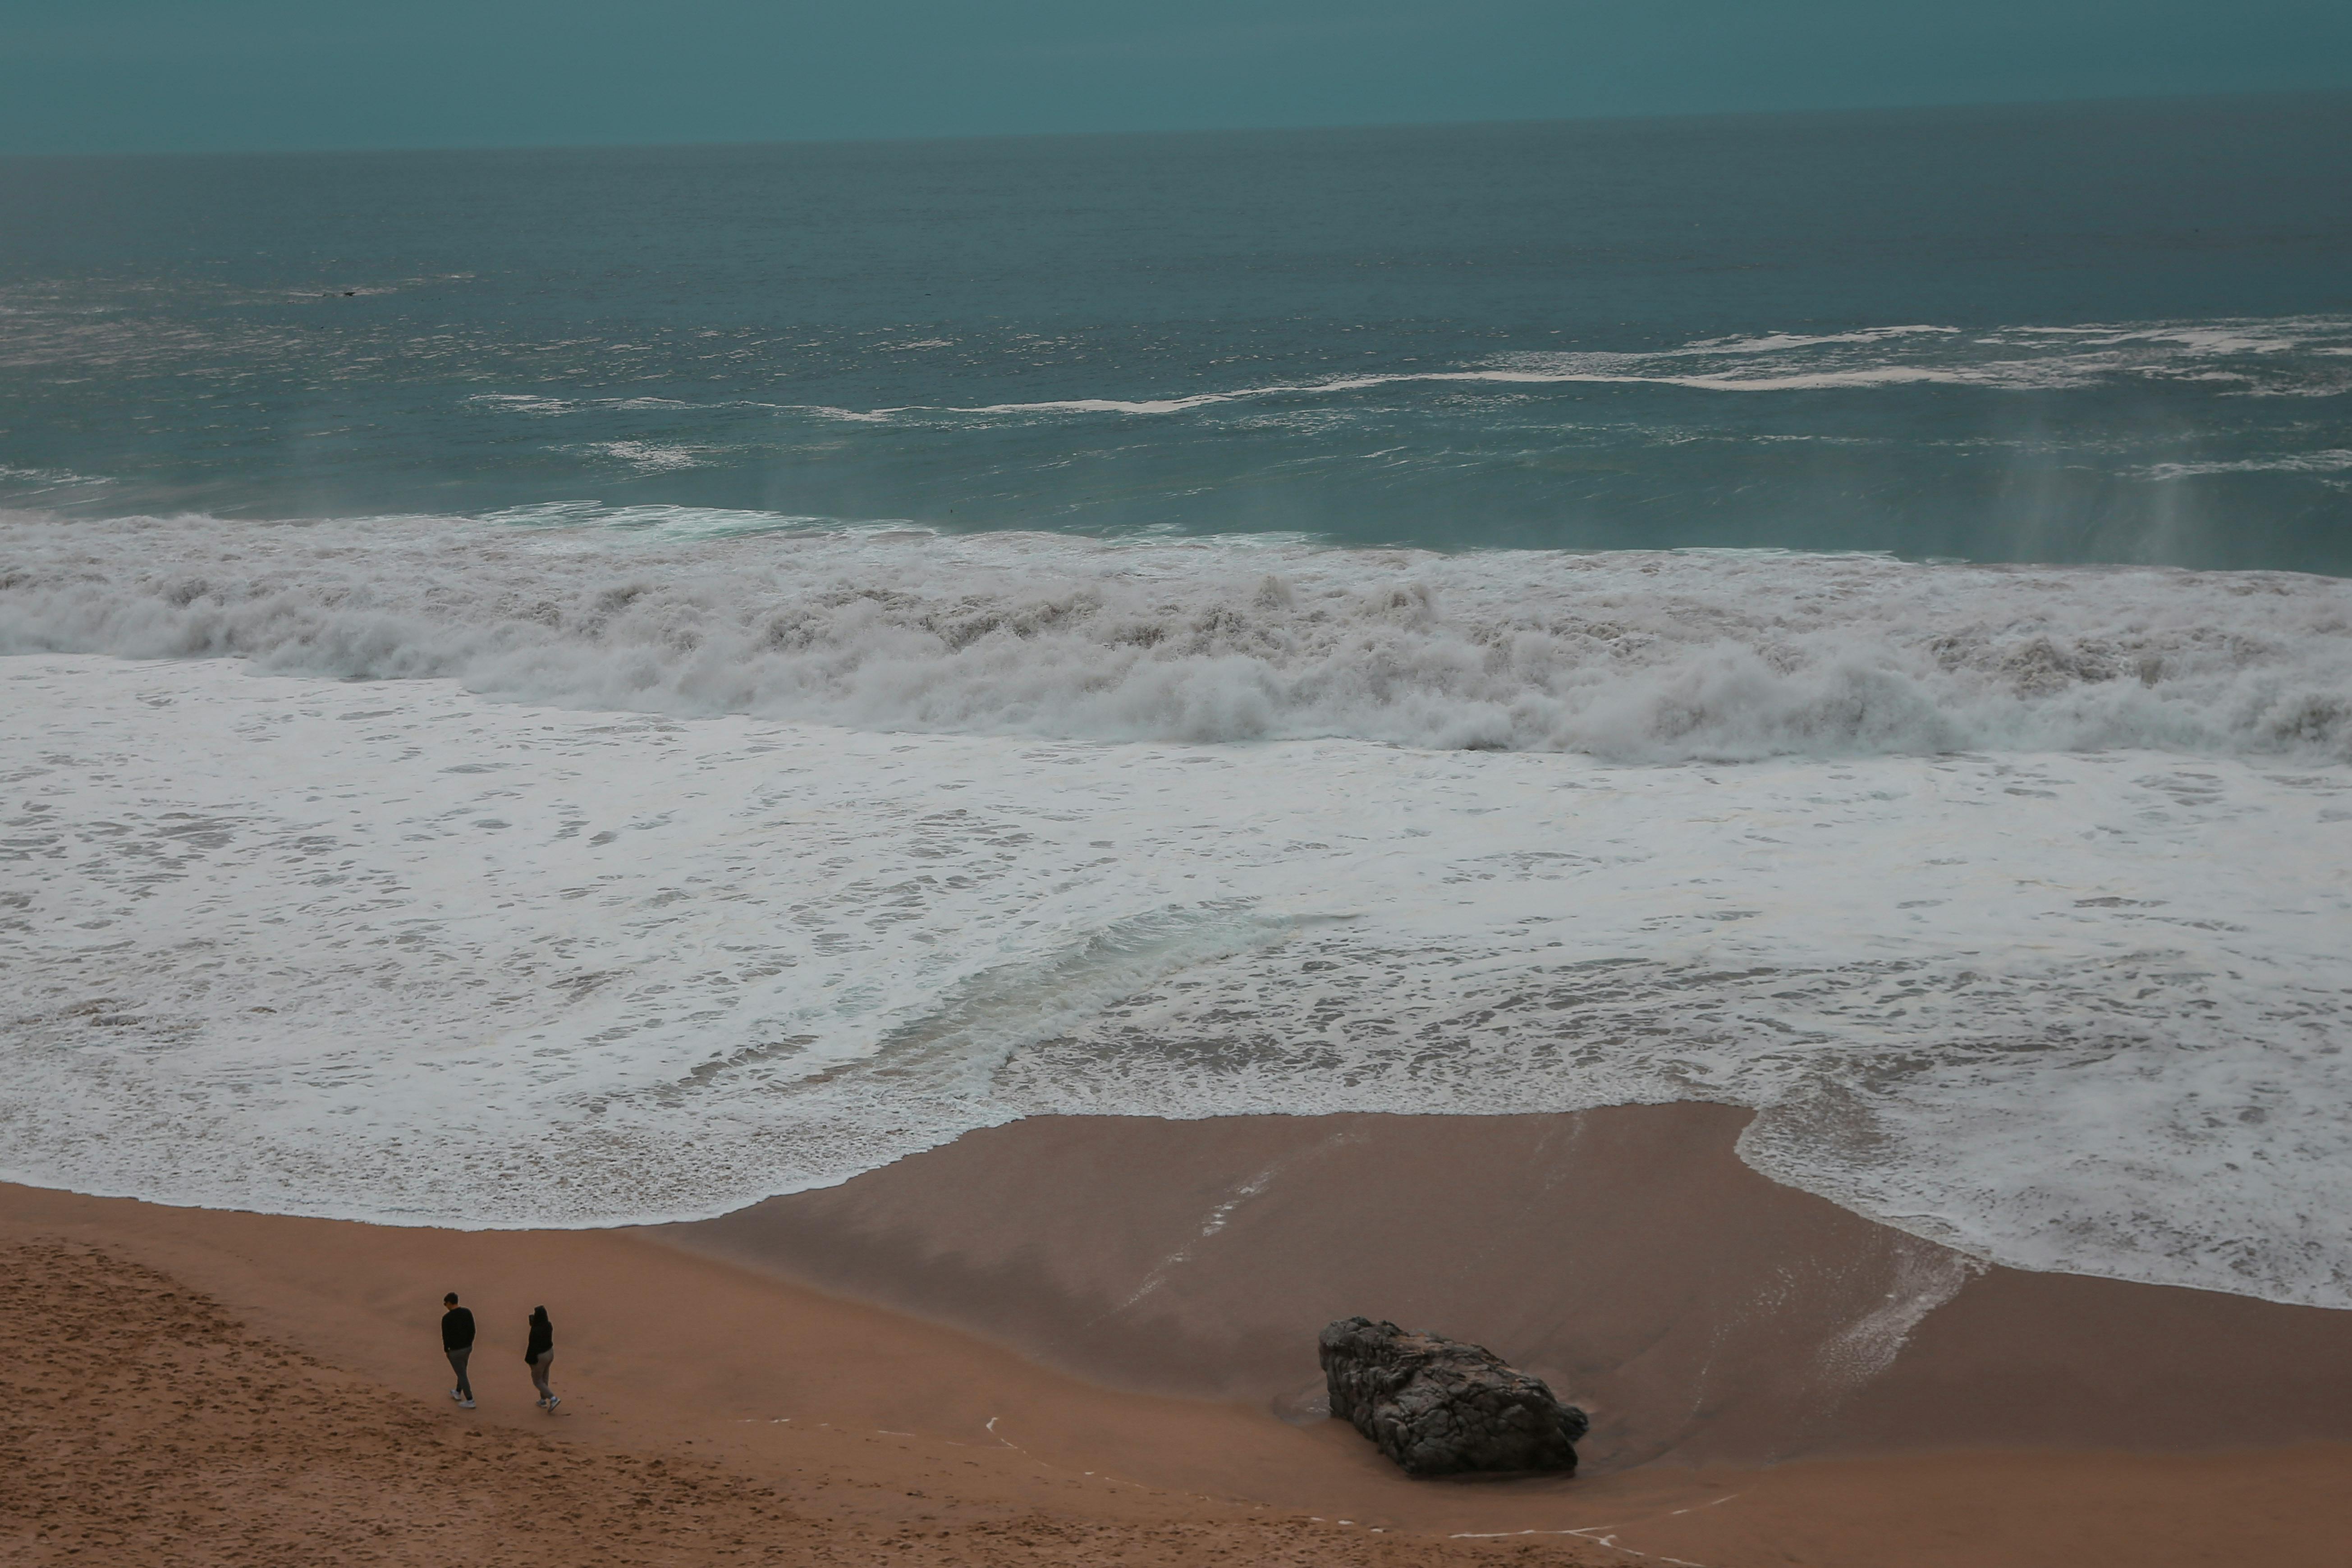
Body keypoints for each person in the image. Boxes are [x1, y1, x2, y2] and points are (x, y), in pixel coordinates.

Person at [441, 1292, 476, 1409]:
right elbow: (473, 1330)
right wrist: (470, 1343)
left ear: (450, 1303)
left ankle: (470, 1399)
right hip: (468, 1348)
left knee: (462, 1374)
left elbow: (446, 1336)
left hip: (456, 1351)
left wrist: (447, 1350)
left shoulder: (447, 1318)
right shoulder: (467, 1312)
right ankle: (457, 1391)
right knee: (462, 1370)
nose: (446, 1306)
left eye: (446, 1304)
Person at [526, 1305, 559, 1411]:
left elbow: (532, 1347)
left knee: (537, 1381)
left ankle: (553, 1398)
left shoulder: (535, 1330)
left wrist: (530, 1361)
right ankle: (543, 1400)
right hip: (550, 1353)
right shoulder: (549, 1325)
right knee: (545, 1377)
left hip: (541, 1356)